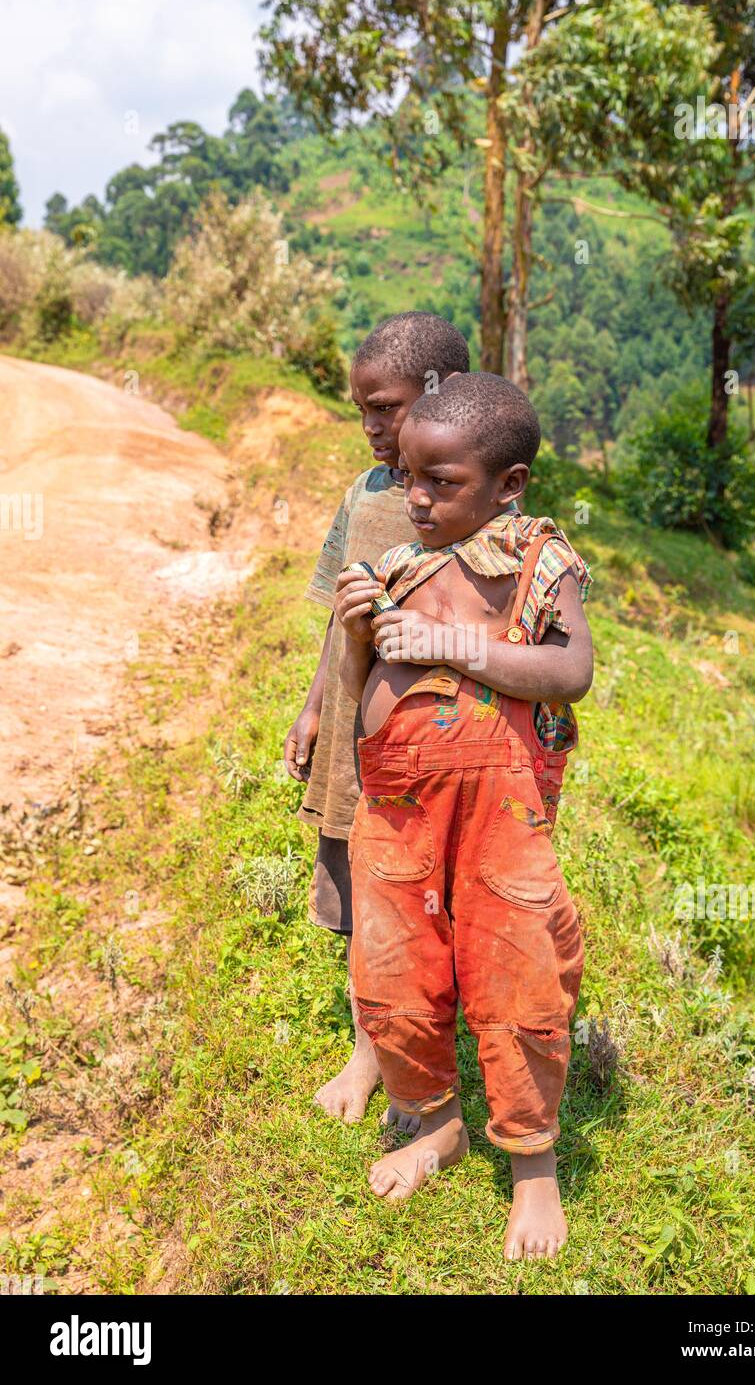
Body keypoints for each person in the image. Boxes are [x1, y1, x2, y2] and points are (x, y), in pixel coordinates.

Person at [335, 371, 593, 1260]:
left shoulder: (540, 564)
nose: (415, 498)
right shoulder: (396, 570)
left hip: (500, 820)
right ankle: (437, 1124)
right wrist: (357, 631)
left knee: (519, 978)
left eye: (440, 483)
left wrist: (450, 644)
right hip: (396, 816)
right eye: (408, 477)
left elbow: (569, 674)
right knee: (396, 972)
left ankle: (534, 1171)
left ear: (509, 484)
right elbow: (355, 684)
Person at [284, 312, 470, 1126]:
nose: (369, 428)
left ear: (440, 394)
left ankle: (413, 1058)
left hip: (430, 741)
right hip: (352, 739)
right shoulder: (364, 493)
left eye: (384, 408)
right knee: (363, 896)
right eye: (360, 410)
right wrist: (314, 707)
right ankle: (371, 1049)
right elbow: (337, 611)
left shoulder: (468, 495)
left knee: (421, 895)